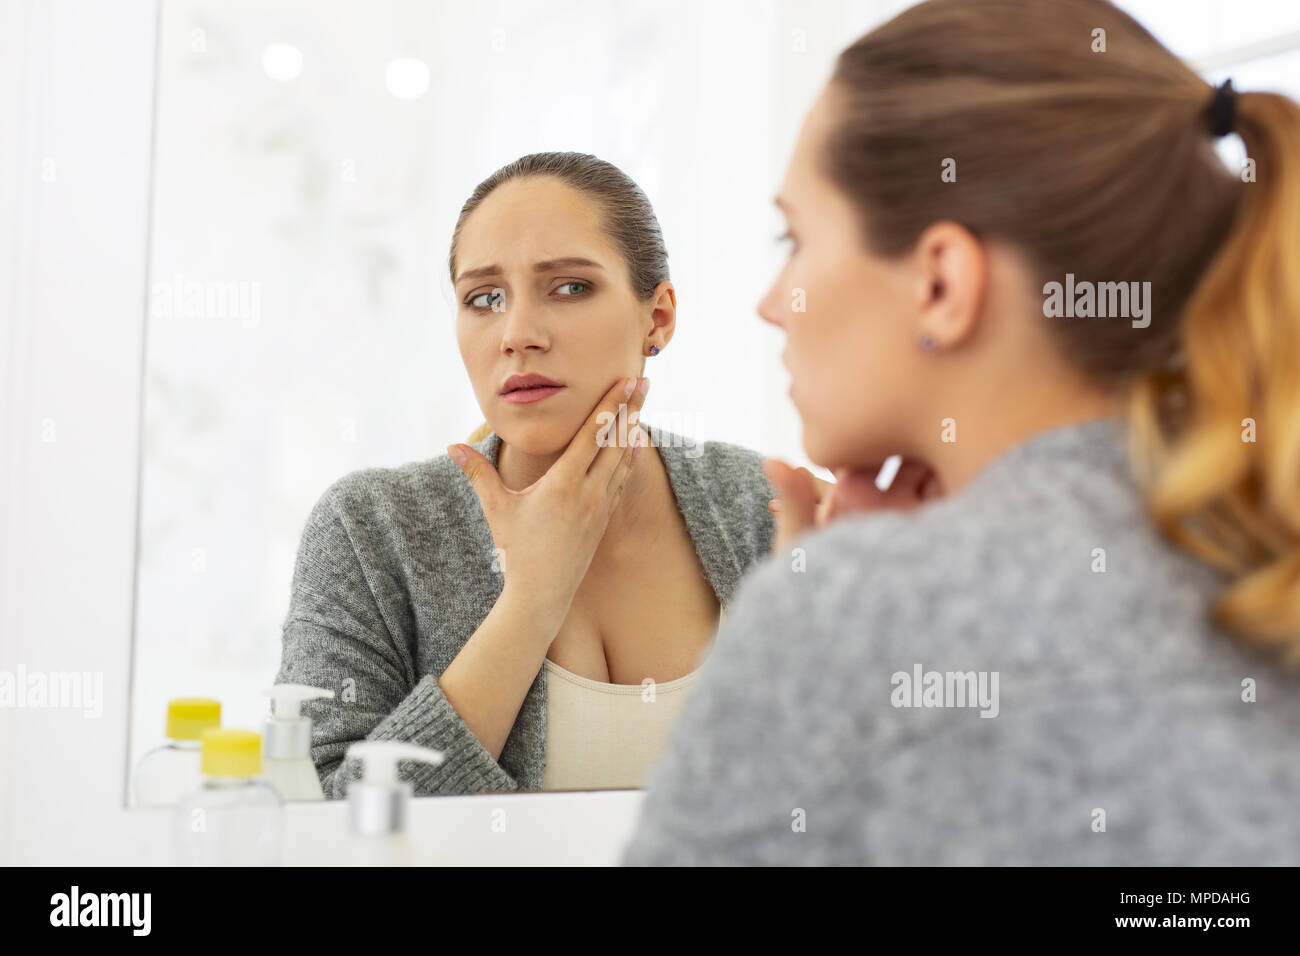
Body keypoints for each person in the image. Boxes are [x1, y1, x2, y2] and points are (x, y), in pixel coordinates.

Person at [622, 0, 1300, 864]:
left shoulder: (850, 614)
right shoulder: (1265, 557)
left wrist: (835, 634)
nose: (768, 301)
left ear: (941, 282)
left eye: (794, 236)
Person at [276, 152, 781, 795]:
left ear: (657, 318)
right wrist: (530, 603)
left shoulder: (761, 509)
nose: (517, 334)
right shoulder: (368, 529)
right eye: (484, 298)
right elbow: (331, 826)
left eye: (570, 287)